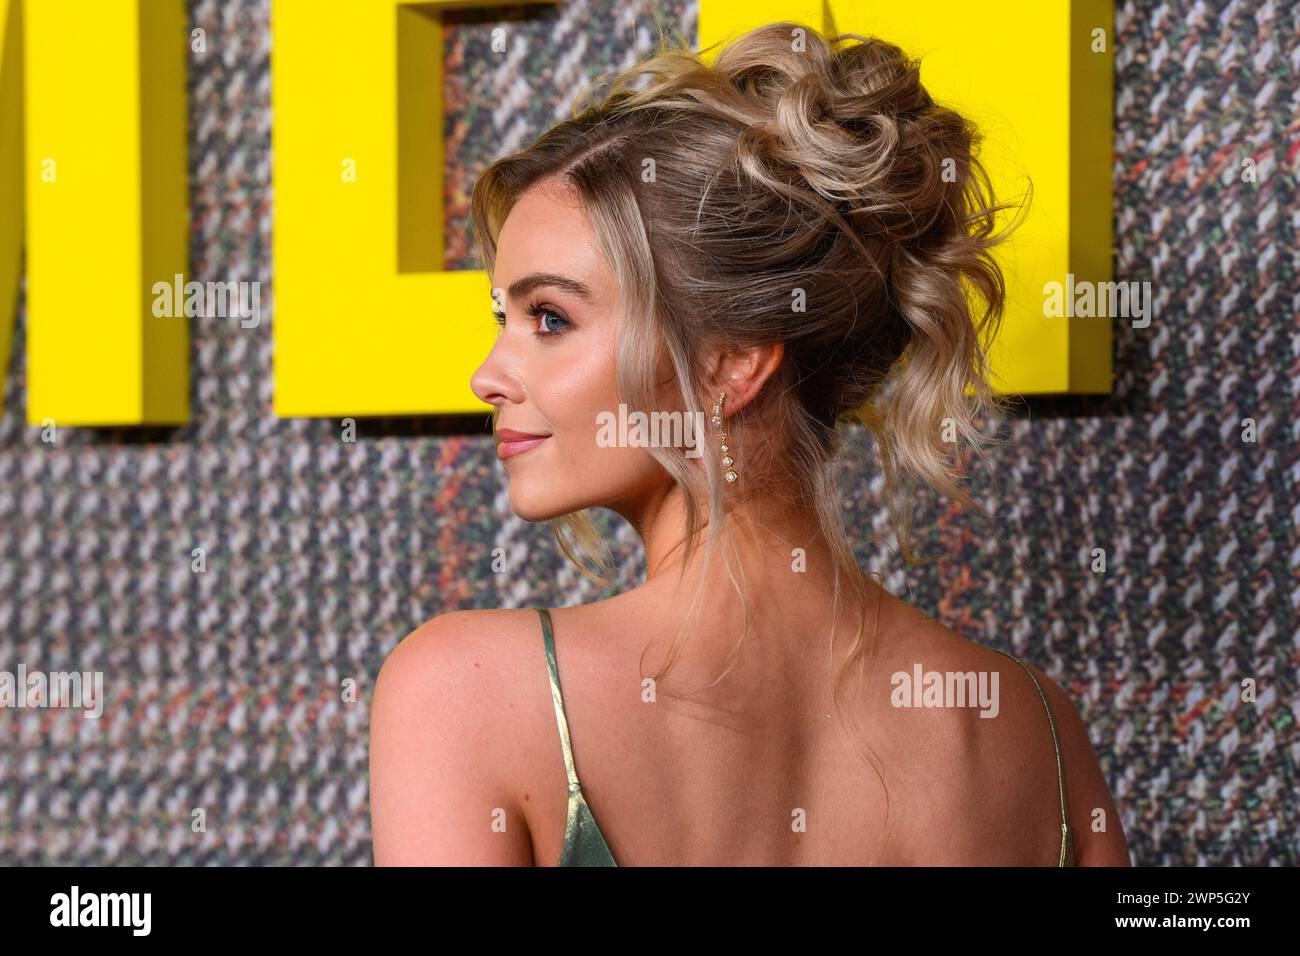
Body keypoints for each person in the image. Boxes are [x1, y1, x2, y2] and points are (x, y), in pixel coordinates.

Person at [370, 20, 1130, 867]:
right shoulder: (1037, 731)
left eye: (550, 317)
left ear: (731, 363)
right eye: (502, 319)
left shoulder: (466, 693)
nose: (487, 375)